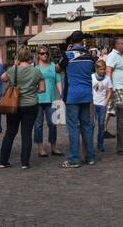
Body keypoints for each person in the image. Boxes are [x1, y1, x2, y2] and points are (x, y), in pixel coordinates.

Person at [0, 53, 42, 168]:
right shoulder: (36, 71)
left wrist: (14, 66)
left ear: (18, 57)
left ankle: (3, 161)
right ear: (30, 58)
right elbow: (42, 89)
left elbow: (2, 78)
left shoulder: (14, 70)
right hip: (30, 104)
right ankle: (24, 163)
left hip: (14, 105)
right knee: (26, 134)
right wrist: (32, 91)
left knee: (10, 132)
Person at [60, 40, 96, 168]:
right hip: (86, 95)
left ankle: (74, 159)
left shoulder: (68, 55)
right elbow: (93, 69)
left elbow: (58, 68)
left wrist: (66, 52)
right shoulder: (89, 55)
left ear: (72, 42)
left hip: (72, 95)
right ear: (82, 41)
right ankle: (90, 157)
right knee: (86, 126)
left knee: (73, 127)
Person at [34, 50, 59, 157]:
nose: (45, 55)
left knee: (53, 124)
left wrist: (61, 94)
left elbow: (58, 80)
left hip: (51, 99)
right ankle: (40, 148)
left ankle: (53, 147)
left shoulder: (53, 66)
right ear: (38, 55)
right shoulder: (35, 68)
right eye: (42, 53)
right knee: (38, 125)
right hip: (38, 100)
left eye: (46, 53)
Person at [92, 58, 112, 153]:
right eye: (101, 69)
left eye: (104, 69)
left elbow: (110, 90)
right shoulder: (91, 77)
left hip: (102, 105)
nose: (103, 71)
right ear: (96, 69)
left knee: (101, 125)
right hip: (93, 105)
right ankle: (89, 143)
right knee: (91, 125)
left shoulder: (107, 79)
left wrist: (106, 101)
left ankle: (100, 144)